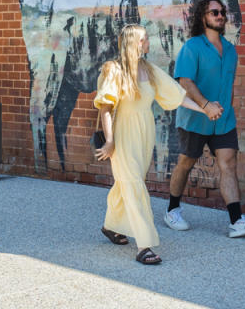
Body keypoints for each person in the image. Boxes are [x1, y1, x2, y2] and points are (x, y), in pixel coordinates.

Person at [94, 23, 220, 265]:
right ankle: (144, 245)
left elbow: (177, 96)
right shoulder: (115, 70)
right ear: (135, 43)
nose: (148, 42)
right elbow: (106, 108)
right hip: (123, 133)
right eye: (144, 39)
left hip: (144, 132)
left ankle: (111, 226)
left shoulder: (149, 70)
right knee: (133, 184)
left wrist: (205, 110)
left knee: (129, 183)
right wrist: (110, 141)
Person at [164, 0, 245, 239]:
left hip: (224, 120)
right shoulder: (193, 47)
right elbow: (185, 81)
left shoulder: (231, 51)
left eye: (222, 12)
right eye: (214, 13)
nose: (220, 16)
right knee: (186, 163)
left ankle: (236, 221)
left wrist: (224, 109)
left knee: (228, 164)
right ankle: (172, 209)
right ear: (203, 17)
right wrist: (206, 105)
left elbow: (229, 84)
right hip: (194, 119)